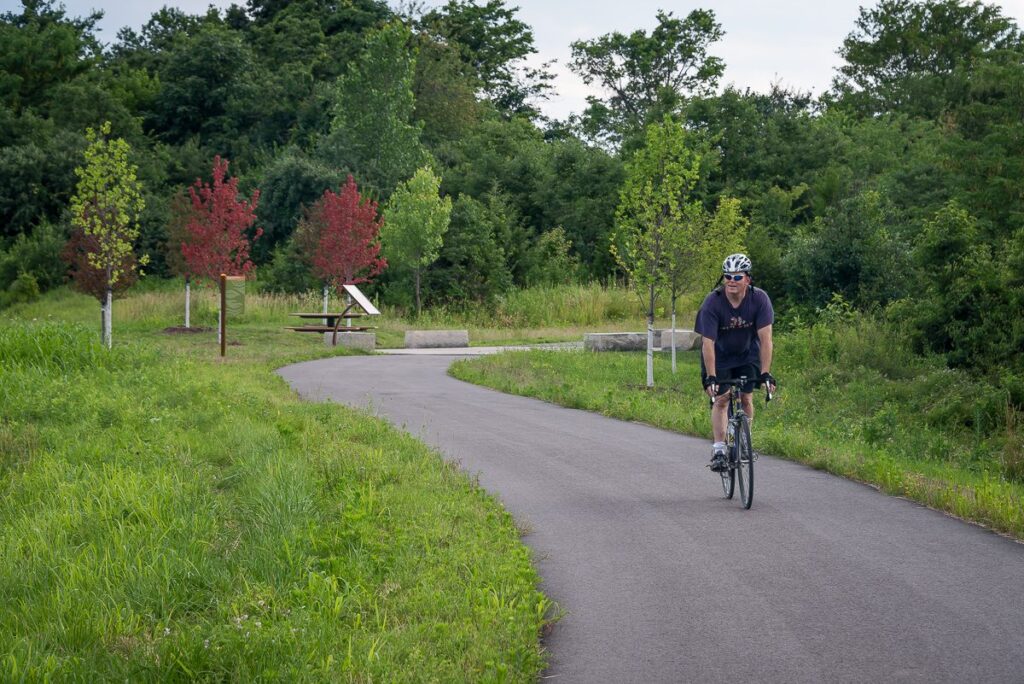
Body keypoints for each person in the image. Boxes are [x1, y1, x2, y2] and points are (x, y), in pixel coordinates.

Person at [694, 253, 777, 472]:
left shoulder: (759, 299)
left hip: (747, 353)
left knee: (746, 397)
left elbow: (766, 339)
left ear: (747, 279)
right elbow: (708, 343)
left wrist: (766, 373)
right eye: (727, 276)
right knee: (721, 399)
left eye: (737, 277)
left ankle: (743, 439)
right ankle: (719, 448)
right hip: (719, 356)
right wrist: (711, 377)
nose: (732, 280)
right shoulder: (713, 302)